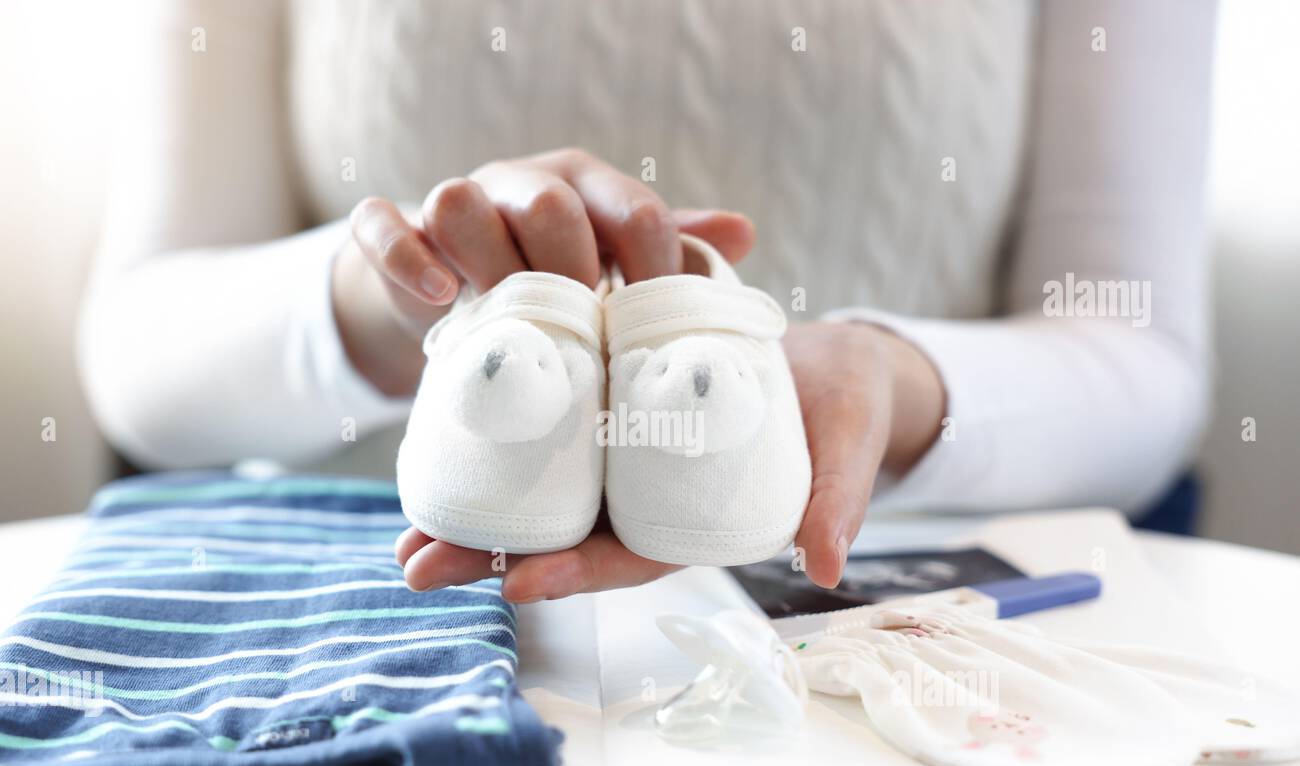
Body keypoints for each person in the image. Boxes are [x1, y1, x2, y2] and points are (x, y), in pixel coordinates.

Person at [78, 0, 1215, 601]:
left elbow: (1138, 350)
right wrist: (387, 307)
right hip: (358, 602)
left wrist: (892, 380)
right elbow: (139, 353)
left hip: (891, 617)